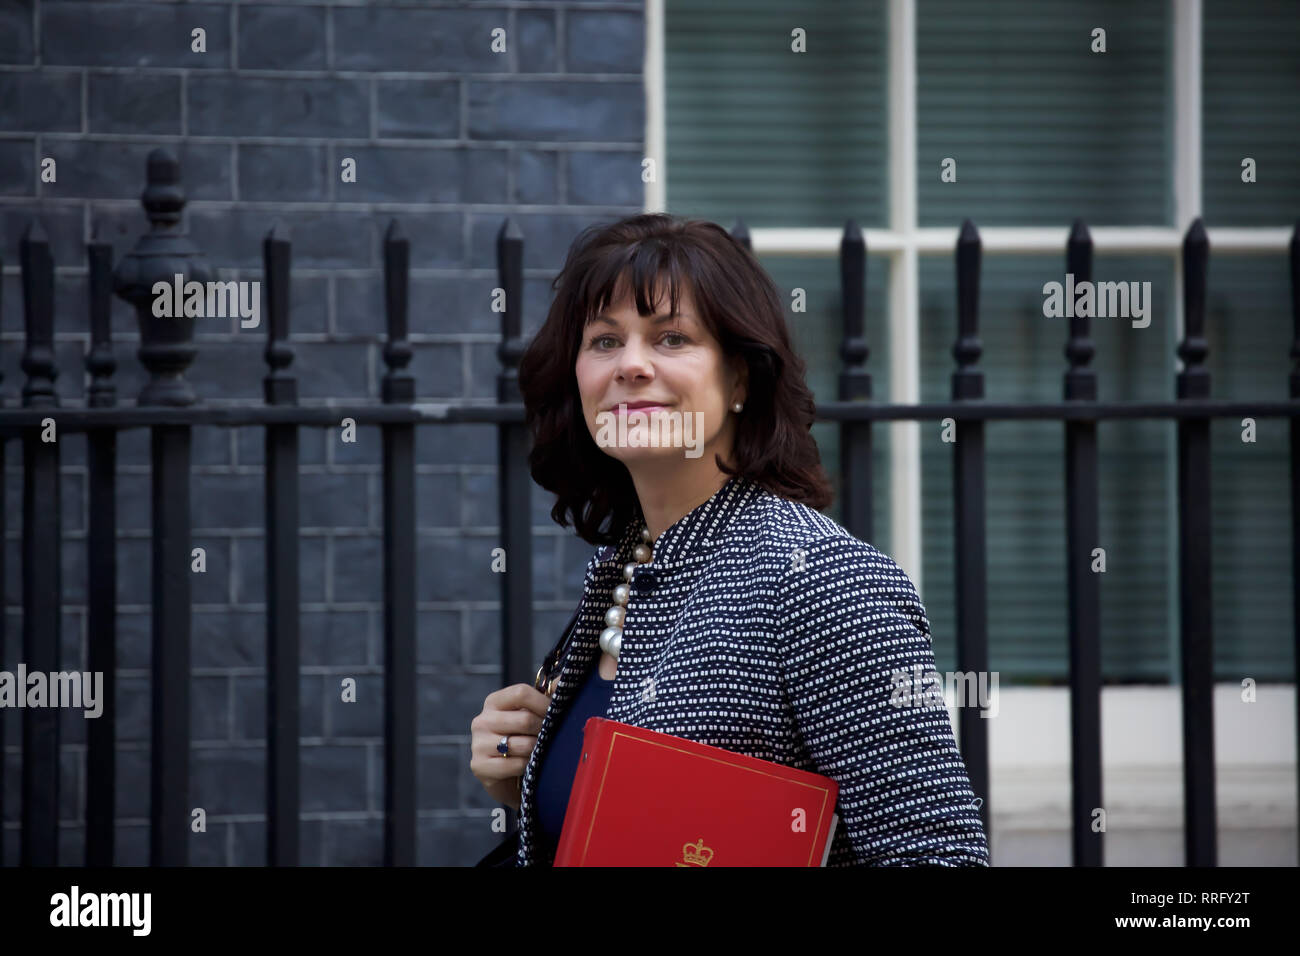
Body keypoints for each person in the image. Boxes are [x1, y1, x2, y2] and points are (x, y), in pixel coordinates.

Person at [468, 213, 990, 867]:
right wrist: (527, 787)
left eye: (671, 338)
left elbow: (938, 855)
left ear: (740, 379)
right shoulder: (622, 569)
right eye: (604, 341)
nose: (631, 365)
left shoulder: (819, 578)